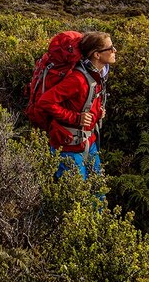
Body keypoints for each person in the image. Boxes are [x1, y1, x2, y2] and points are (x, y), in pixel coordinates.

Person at [33, 31, 114, 180]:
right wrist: (76, 118)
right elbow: (45, 102)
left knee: (98, 193)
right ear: (97, 54)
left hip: (89, 143)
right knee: (73, 197)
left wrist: (98, 112)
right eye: (110, 48)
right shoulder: (77, 79)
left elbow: (82, 102)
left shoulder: (97, 74)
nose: (114, 51)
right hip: (68, 146)